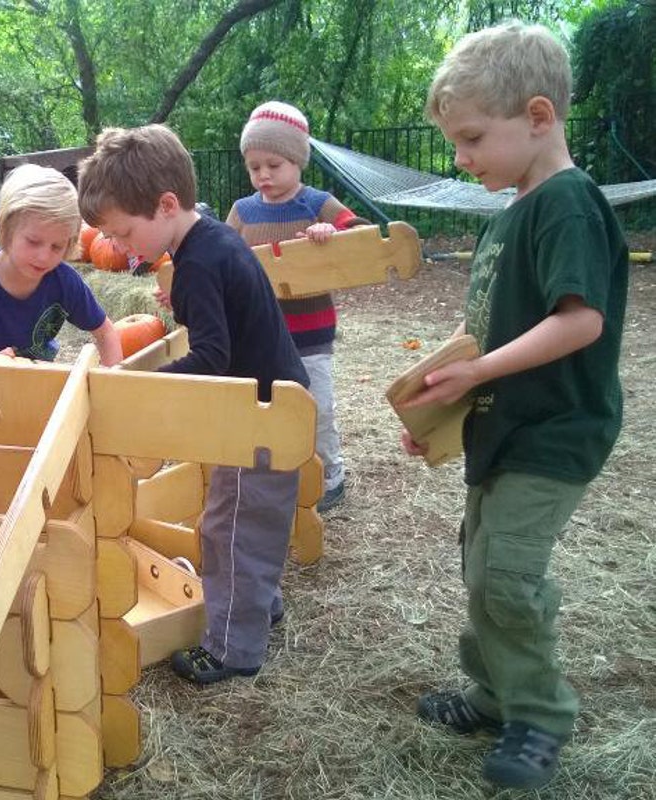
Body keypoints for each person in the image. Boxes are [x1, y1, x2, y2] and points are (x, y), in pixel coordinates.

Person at [403, 21, 628, 790]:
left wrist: (477, 375)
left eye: (471, 138)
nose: (461, 158)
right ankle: (495, 694)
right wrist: (440, 408)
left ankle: (540, 714)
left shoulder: (567, 203)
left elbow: (580, 321)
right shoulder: (509, 216)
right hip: (501, 427)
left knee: (505, 573)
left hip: (557, 432)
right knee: (482, 565)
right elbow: (485, 333)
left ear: (538, 117)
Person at [77, 124, 310, 684]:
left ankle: (233, 648)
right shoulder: (208, 245)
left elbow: (209, 356)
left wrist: (149, 388)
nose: (124, 248)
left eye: (126, 233)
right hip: (257, 412)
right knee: (240, 524)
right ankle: (260, 604)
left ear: (165, 204)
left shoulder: (201, 262)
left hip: (259, 419)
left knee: (232, 531)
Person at [226, 100, 364, 513]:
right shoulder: (242, 211)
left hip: (310, 335)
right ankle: (277, 476)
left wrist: (331, 233)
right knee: (267, 409)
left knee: (315, 409)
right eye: (254, 167)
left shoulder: (317, 204)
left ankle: (329, 477)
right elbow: (220, 255)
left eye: (275, 164)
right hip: (261, 337)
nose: (264, 174)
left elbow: (362, 236)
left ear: (297, 161)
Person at [0, 163, 123, 366]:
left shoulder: (64, 280)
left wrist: (111, 381)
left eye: (56, 246)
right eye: (33, 242)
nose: (44, 257)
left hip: (42, 377)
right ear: (5, 229)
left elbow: (106, 333)